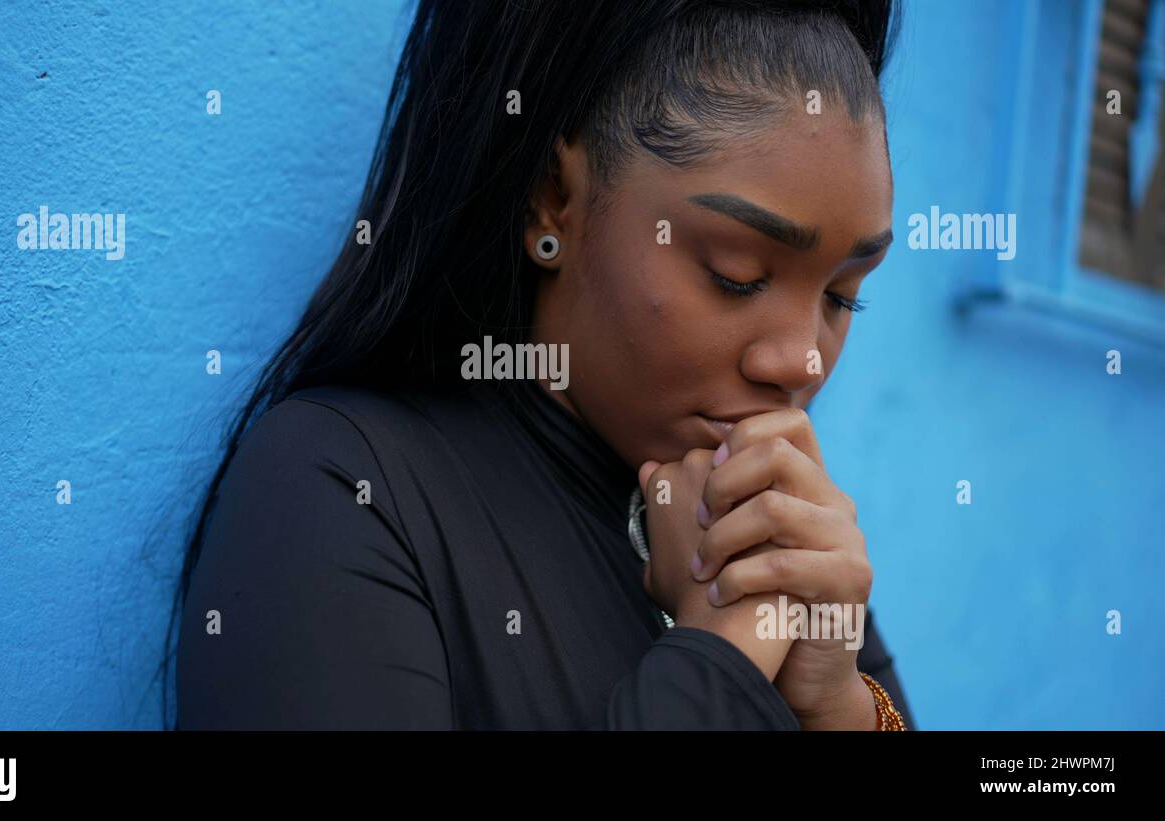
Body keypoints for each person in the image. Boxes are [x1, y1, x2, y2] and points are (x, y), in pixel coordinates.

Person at [170, 0, 914, 730]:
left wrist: (840, 707)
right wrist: (721, 658)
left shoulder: (782, 543)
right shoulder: (343, 492)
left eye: (844, 296)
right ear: (553, 201)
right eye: (737, 273)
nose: (803, 359)